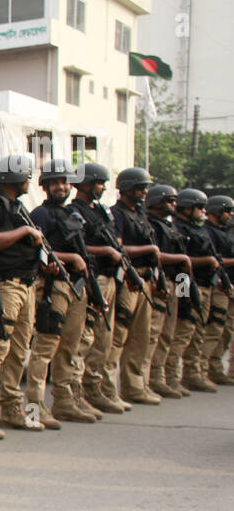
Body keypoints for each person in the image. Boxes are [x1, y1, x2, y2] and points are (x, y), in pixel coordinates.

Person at [0, 153, 48, 432]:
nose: (29, 181)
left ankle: (11, 407)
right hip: (7, 284)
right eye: (26, 176)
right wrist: (25, 230)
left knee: (19, 350)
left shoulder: (19, 206)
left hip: (26, 284)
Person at [25, 159, 97, 426]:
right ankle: (34, 408)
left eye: (65, 182)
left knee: (71, 345)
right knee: (45, 348)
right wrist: (71, 259)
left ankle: (65, 401)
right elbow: (37, 250)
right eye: (55, 182)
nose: (61, 187)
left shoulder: (71, 214)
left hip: (76, 286)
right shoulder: (41, 215)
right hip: (53, 287)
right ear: (45, 186)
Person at [70, 162, 129, 414]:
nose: (103, 188)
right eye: (99, 183)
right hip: (94, 278)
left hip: (111, 278)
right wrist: (105, 250)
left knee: (108, 337)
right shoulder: (74, 212)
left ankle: (102, 388)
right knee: (89, 337)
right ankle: (86, 391)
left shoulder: (102, 211)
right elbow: (78, 247)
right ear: (85, 184)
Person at [109, 168, 164, 404]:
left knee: (143, 335)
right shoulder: (116, 214)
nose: (144, 192)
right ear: (128, 188)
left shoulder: (141, 214)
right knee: (118, 335)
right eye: (141, 187)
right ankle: (108, 388)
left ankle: (135, 386)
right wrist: (148, 250)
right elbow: (119, 248)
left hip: (146, 278)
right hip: (129, 279)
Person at [144, 184, 192, 397]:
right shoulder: (153, 225)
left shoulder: (169, 225)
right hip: (163, 281)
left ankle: (164, 377)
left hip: (179, 280)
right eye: (170, 200)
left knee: (172, 329)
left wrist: (186, 296)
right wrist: (182, 259)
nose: (174, 204)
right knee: (155, 333)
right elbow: (158, 256)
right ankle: (153, 378)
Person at [171, 188, 220, 392]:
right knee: (183, 325)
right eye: (199, 207)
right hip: (185, 280)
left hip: (203, 283)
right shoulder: (178, 228)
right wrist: (206, 261)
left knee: (197, 327)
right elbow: (183, 259)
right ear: (187, 207)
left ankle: (193, 372)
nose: (202, 211)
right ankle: (171, 374)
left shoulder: (197, 228)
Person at [203, 194, 234, 384]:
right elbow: (216, 260)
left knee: (226, 331)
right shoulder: (207, 232)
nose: (230, 215)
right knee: (213, 329)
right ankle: (201, 369)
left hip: (227, 283)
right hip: (216, 285)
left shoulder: (223, 231)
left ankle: (214, 369)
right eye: (227, 211)